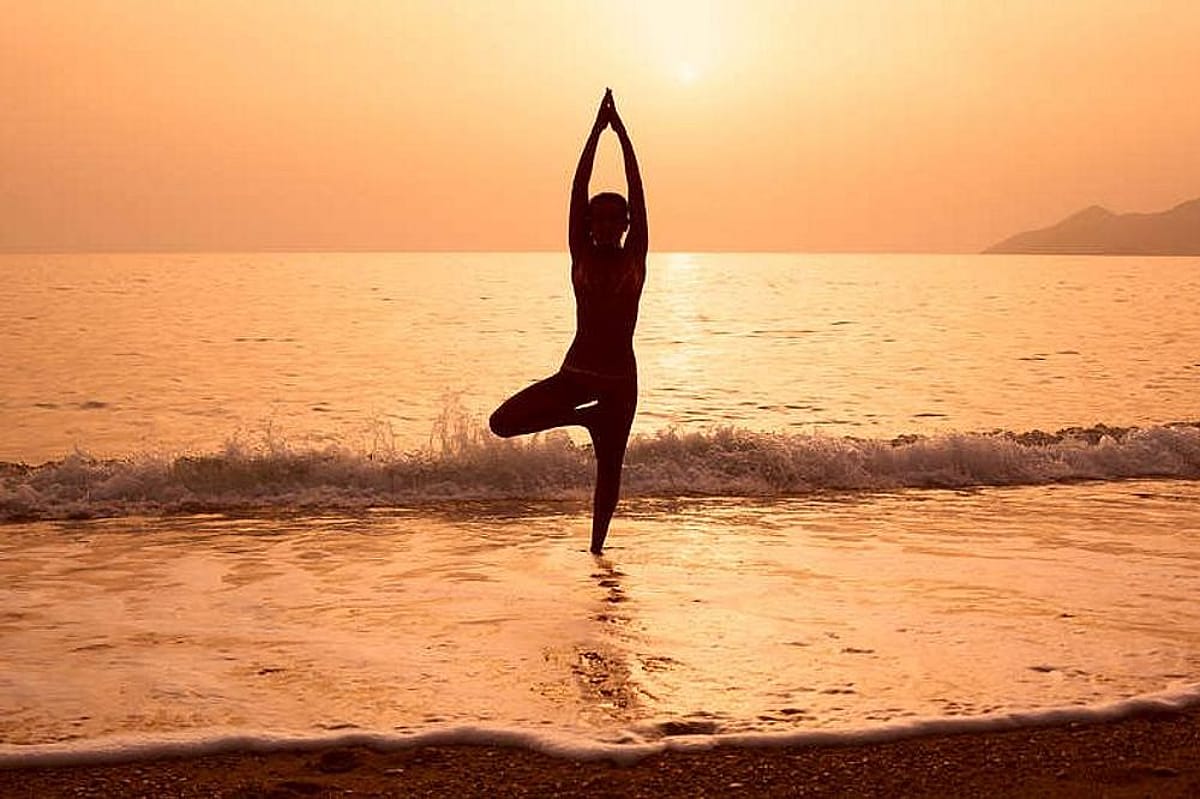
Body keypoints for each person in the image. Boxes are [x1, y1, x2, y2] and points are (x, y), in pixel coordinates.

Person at [489, 89, 647, 554]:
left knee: (609, 473)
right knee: (502, 422)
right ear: (588, 223)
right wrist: (595, 133)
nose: (602, 225)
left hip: (620, 381)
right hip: (576, 376)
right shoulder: (579, 252)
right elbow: (576, 190)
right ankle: (580, 421)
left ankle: (598, 555)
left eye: (611, 219)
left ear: (624, 224)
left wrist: (622, 135)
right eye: (595, 218)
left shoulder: (636, 256)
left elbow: (637, 188)